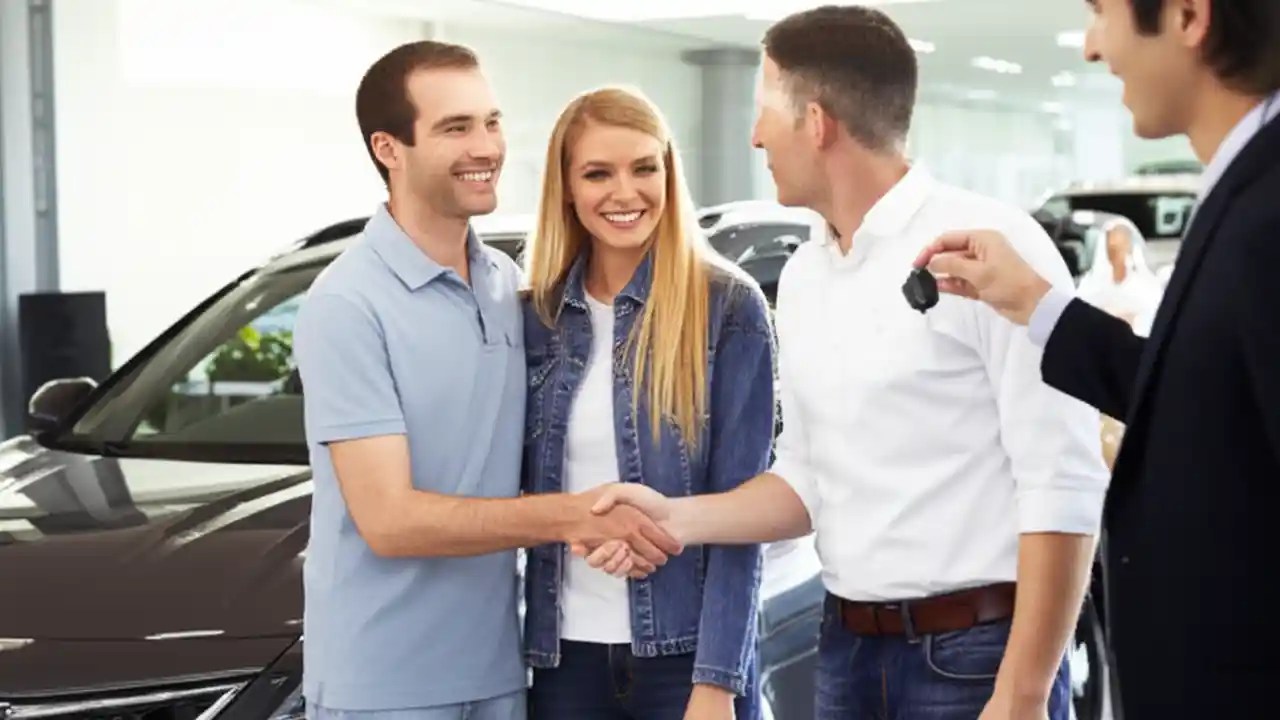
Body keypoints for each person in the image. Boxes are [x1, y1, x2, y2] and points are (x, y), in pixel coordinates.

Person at [584, 7, 1111, 720]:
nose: (754, 135)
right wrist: (674, 519)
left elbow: (1064, 481)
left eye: (765, 110)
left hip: (976, 661)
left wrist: (1020, 693)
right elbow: (807, 480)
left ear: (816, 121)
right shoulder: (805, 275)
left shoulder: (991, 246)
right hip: (846, 653)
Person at [292, 42, 680, 720]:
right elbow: (390, 521)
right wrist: (579, 515)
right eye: (455, 128)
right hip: (384, 688)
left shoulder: (507, 286)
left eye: (491, 122)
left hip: (502, 672)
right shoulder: (346, 305)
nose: (485, 147)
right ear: (389, 148)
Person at [914, 0, 1280, 716]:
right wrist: (1036, 303)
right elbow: (1205, 400)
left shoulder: (1268, 212)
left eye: (1103, 11)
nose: (1090, 46)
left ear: (1188, 15)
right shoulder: (1244, 190)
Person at [520, 85, 776, 720]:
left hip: (687, 664)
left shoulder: (729, 309)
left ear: (669, 172)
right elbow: (512, 495)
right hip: (562, 663)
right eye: (598, 173)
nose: (625, 193)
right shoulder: (535, 318)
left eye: (644, 167)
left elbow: (745, 514)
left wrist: (718, 683)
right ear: (567, 188)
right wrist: (585, 528)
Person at [1074, 214, 1163, 334]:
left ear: (1130, 248)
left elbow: (1154, 319)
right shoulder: (1090, 283)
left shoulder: (1147, 285)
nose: (1117, 253)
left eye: (1122, 246)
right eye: (1112, 247)